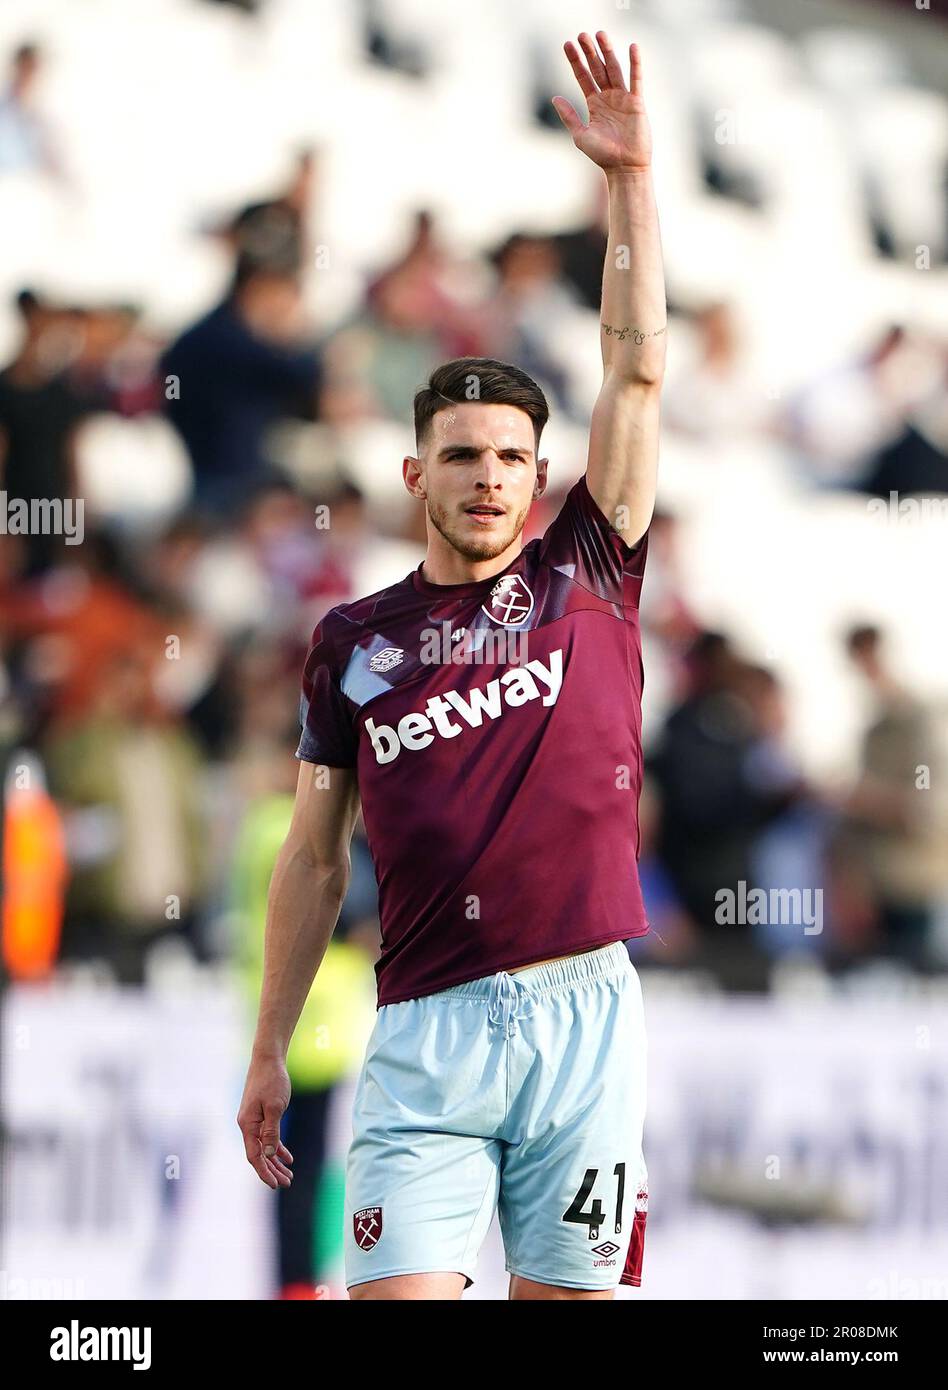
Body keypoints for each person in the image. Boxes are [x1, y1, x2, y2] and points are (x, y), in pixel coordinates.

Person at [238, 29, 665, 1302]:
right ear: (415, 471)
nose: (488, 477)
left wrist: (629, 182)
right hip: (426, 1035)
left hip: (587, 1021)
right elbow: (315, 856)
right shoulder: (351, 646)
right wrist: (269, 1045)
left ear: (543, 475)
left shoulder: (589, 568)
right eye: (461, 455)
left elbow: (636, 365)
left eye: (510, 457)